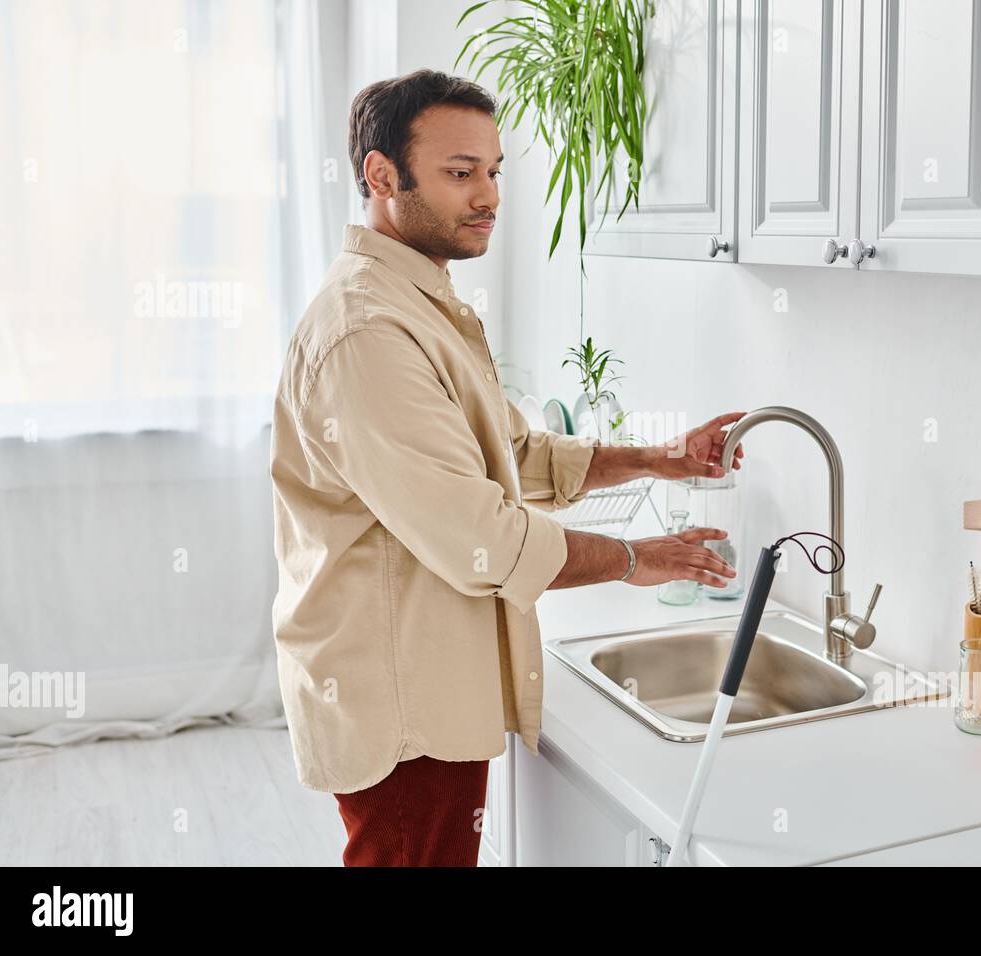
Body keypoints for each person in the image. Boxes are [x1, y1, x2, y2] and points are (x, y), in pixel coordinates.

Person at [270, 69, 746, 866]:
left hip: (422, 682)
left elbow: (510, 456)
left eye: (494, 171)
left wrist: (662, 459)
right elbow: (479, 536)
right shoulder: (369, 334)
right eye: (461, 174)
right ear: (382, 177)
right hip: (401, 705)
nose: (488, 195)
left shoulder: (420, 304)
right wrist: (640, 560)